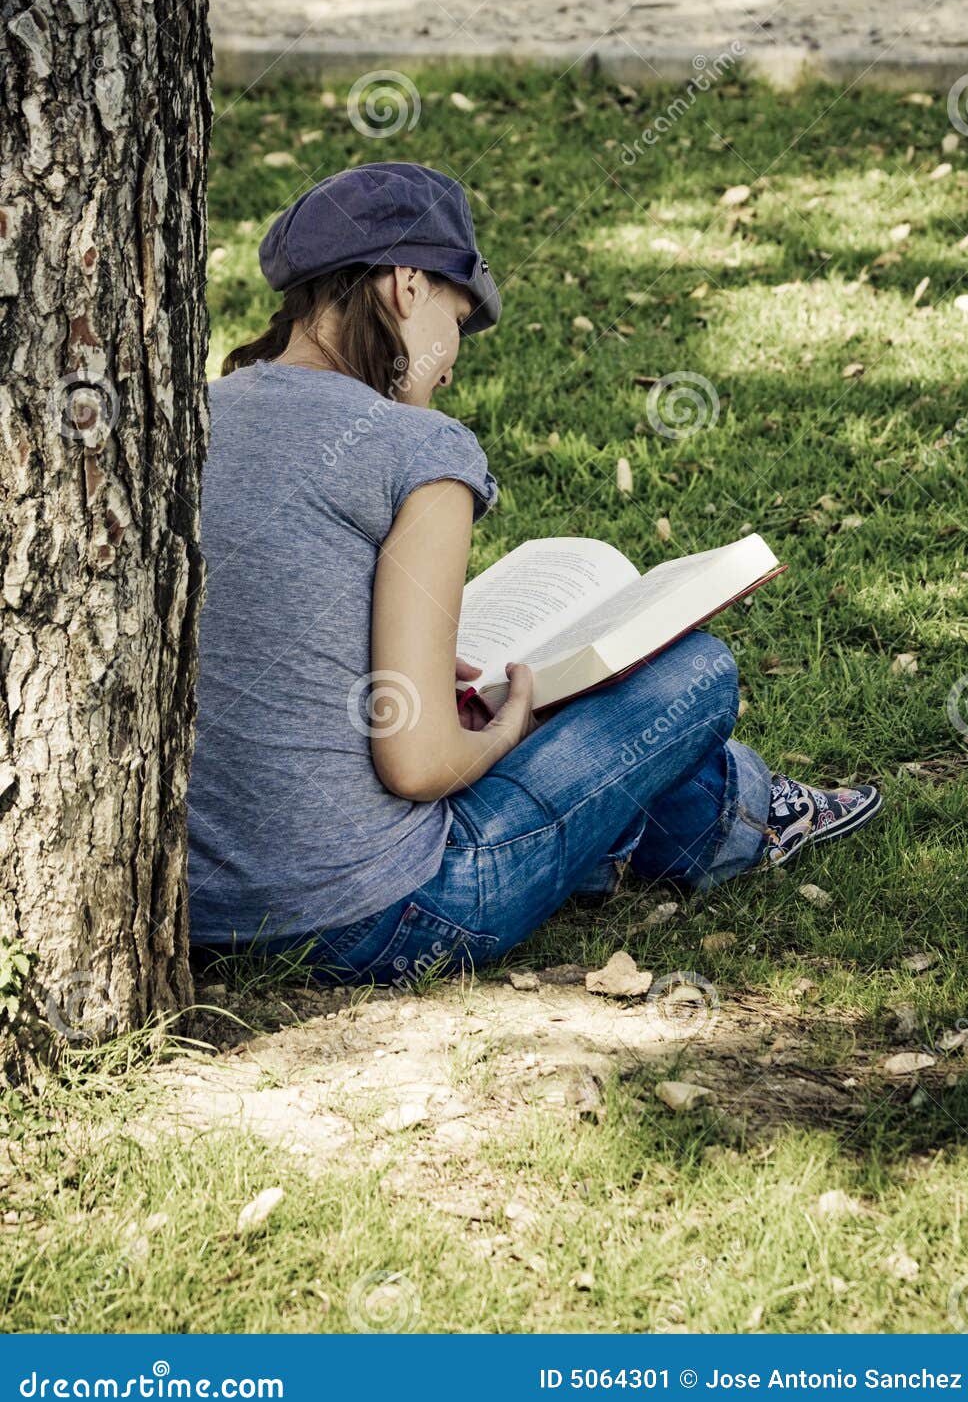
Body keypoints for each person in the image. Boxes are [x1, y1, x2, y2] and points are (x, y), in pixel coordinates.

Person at [187, 162, 881, 985]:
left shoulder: (196, 414)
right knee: (695, 671)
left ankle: (681, 832)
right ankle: (739, 821)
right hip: (382, 920)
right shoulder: (418, 449)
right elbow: (417, 767)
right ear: (407, 286)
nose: (449, 367)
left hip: (198, 912)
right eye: (457, 318)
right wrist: (510, 727)